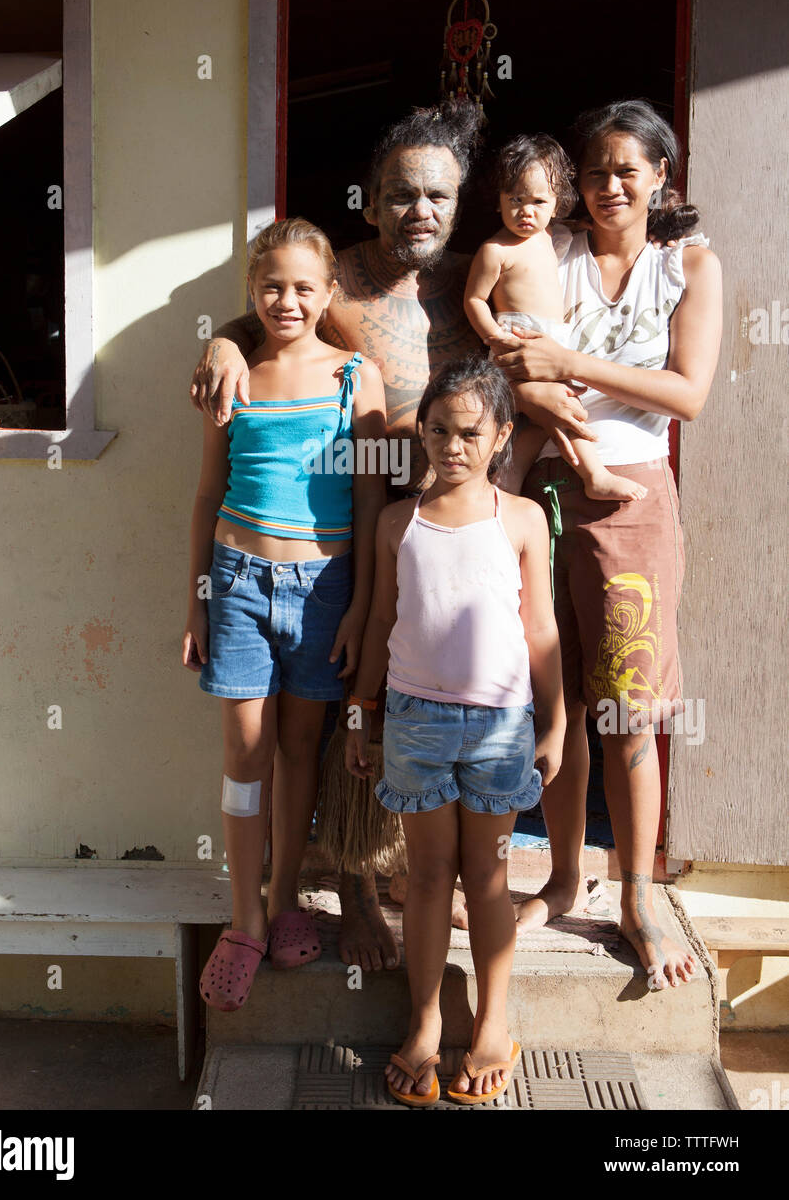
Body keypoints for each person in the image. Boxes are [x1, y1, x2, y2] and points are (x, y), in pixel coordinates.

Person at [190, 103, 579, 971]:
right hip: (354, 534)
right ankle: (356, 885)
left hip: (464, 536)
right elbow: (275, 321)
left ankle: (423, 872)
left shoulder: (478, 283)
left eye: (438, 195)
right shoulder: (342, 287)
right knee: (340, 714)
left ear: (459, 200)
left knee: (439, 699)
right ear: (371, 202)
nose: (421, 211)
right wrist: (222, 339)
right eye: (401, 195)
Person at [495, 99, 723, 988]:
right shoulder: (547, 254)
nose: (609, 186)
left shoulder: (689, 268)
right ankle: (561, 877)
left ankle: (633, 891)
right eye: (595, 172)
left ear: (663, 176)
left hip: (633, 497)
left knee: (628, 702)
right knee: (557, 702)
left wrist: (570, 369)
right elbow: (512, 363)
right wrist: (545, 395)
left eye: (629, 169)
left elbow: (687, 395)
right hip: (540, 494)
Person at [346, 355, 564, 1104]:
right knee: (431, 876)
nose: (451, 445)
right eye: (437, 429)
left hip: (503, 726)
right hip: (414, 720)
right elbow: (380, 621)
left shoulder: (524, 519)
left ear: (502, 434)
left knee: (491, 876)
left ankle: (495, 1021)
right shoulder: (396, 522)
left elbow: (541, 629)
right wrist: (359, 713)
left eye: (469, 432)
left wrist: (557, 719)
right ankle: (428, 1022)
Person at [182, 217, 386, 1010]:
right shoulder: (230, 377)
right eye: (272, 286)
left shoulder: (353, 378)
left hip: (327, 588)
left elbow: (371, 502)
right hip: (234, 584)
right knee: (246, 752)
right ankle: (243, 921)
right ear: (250, 292)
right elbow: (206, 495)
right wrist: (196, 601)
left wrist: (364, 610)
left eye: (305, 288)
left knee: (302, 748)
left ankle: (285, 895)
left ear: (330, 292)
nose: (287, 301)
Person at [465, 133, 648, 502]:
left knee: (542, 422)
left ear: (557, 204)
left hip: (553, 342)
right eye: (515, 199)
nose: (526, 211)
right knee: (560, 408)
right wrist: (494, 338)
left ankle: (505, 488)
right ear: (498, 199)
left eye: (538, 201)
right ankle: (594, 475)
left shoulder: (554, 236)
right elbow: (474, 300)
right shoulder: (495, 250)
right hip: (515, 342)